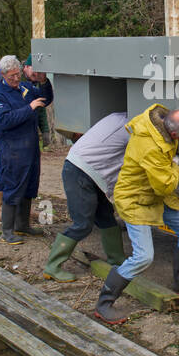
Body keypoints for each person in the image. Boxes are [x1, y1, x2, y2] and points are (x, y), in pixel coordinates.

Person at [96, 105, 179, 324]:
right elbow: (165, 186)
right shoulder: (149, 145)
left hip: (155, 197)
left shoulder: (162, 127)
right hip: (136, 200)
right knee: (143, 257)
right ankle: (104, 303)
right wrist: (176, 164)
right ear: (175, 133)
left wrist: (172, 160)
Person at [41, 112, 130, 282]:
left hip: (90, 172)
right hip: (80, 171)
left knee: (106, 217)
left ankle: (117, 260)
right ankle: (52, 267)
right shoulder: (132, 129)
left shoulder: (118, 116)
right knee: (82, 224)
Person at [0, 54, 53, 244]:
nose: (16, 79)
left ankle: (22, 225)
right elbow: (5, 120)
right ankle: (7, 231)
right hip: (13, 149)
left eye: (17, 74)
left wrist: (44, 81)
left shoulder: (25, 88)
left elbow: (44, 99)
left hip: (31, 147)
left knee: (30, 185)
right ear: (3, 75)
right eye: (11, 76)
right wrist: (29, 108)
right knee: (12, 186)